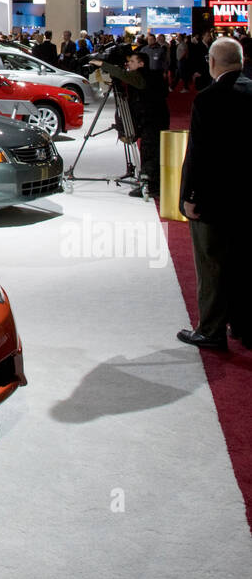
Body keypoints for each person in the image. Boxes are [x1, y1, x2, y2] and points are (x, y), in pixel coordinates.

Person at [178, 37, 252, 351]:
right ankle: (243, 326)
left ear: (211, 62)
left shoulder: (208, 99)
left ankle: (211, 330)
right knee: (245, 262)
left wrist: (190, 196)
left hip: (215, 198)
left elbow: (199, 154)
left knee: (211, 264)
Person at [90, 49, 169, 197]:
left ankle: (150, 186)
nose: (129, 64)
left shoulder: (140, 76)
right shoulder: (151, 75)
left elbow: (123, 75)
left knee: (149, 152)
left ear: (141, 63)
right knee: (152, 151)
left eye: (132, 61)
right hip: (155, 118)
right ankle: (151, 183)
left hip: (151, 120)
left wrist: (102, 64)